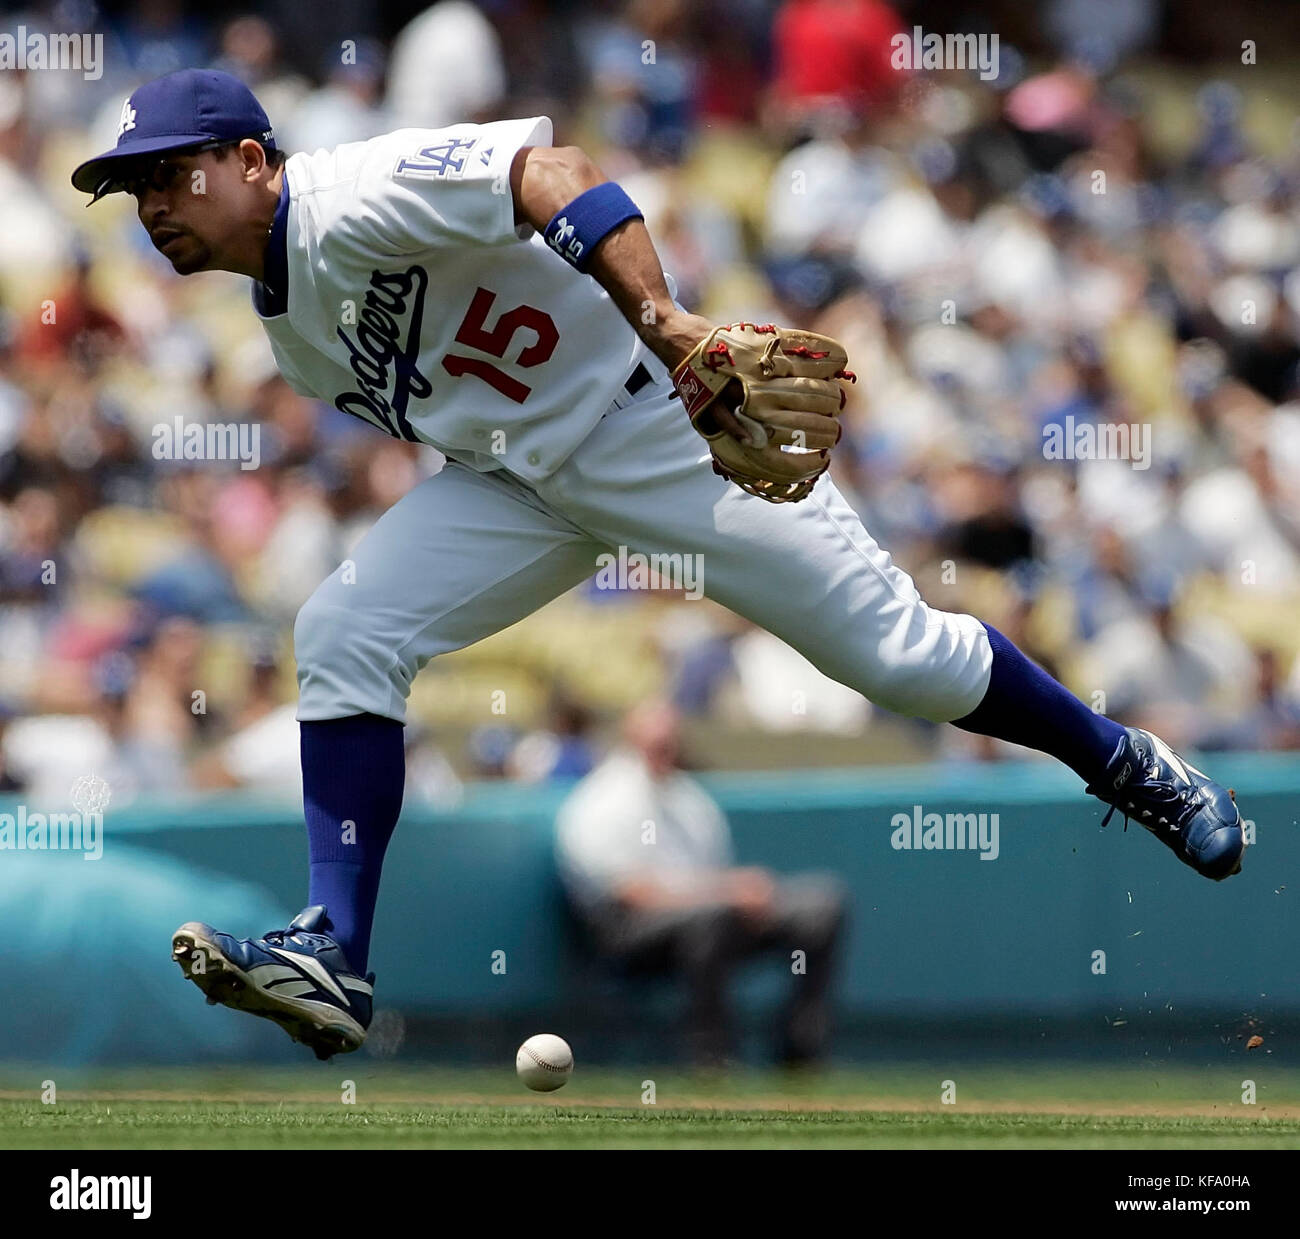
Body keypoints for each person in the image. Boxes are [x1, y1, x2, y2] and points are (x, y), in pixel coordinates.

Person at [70, 68, 1243, 1060]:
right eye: (136, 189)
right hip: (521, 481)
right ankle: (333, 952)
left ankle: (1128, 763)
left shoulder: (351, 194)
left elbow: (555, 175)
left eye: (174, 174)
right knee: (341, 632)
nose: (154, 205)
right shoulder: (290, 335)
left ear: (253, 159)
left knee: (905, 659)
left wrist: (669, 324)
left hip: (656, 426)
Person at [556, 699, 847, 1066]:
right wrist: (727, 893)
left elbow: (716, 874)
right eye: (655, 741)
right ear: (630, 739)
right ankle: (712, 1054)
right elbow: (630, 893)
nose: (666, 749)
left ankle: (799, 1050)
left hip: (711, 915)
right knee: (711, 919)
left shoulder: (691, 800)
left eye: (671, 740)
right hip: (625, 934)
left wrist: (740, 895)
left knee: (820, 907)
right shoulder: (600, 801)